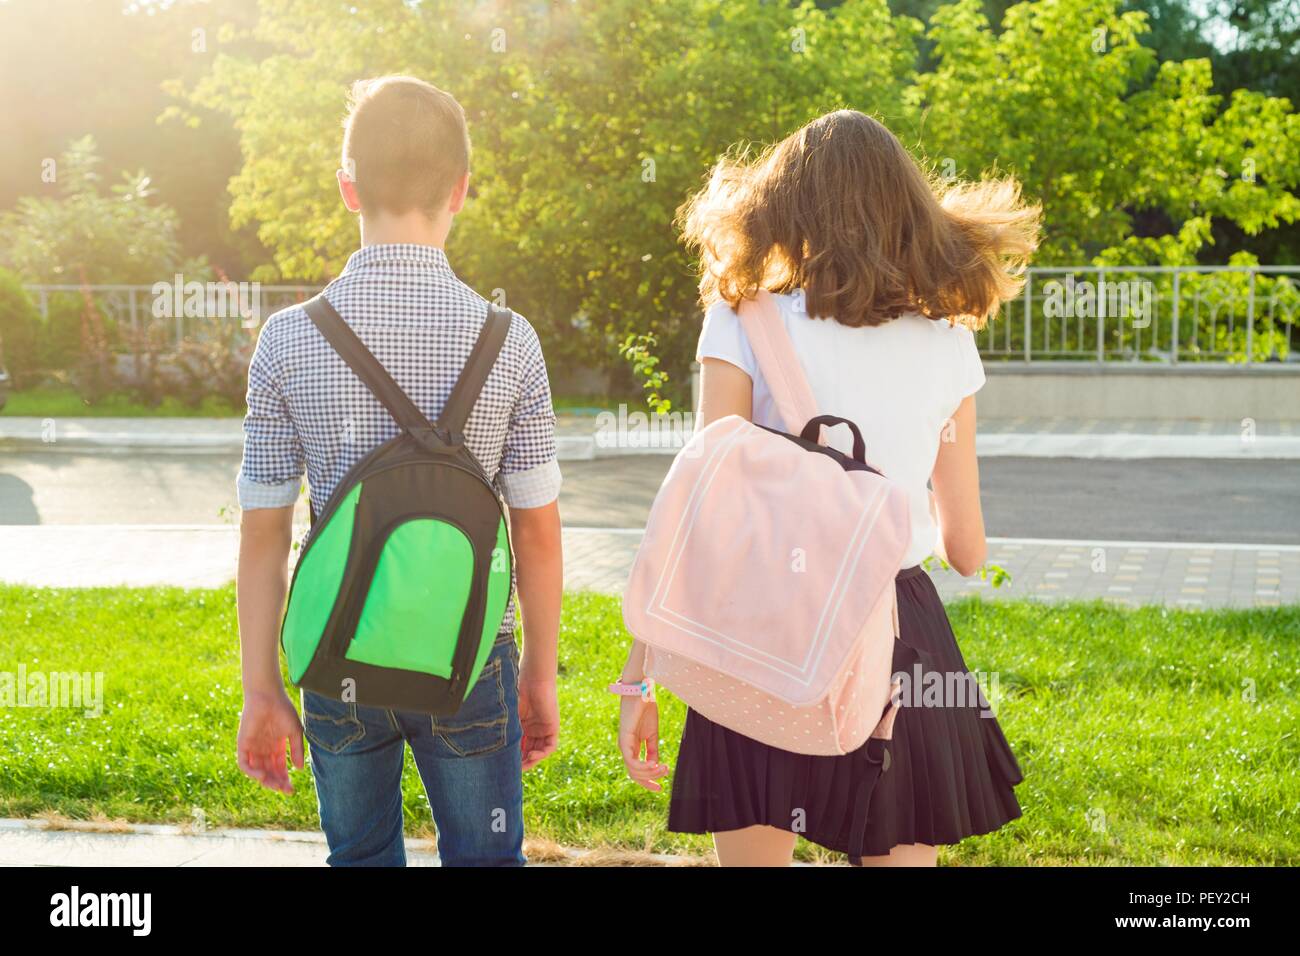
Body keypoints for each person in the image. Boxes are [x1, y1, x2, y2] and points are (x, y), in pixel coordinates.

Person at [617, 109, 1040, 866]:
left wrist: (640, 678)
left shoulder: (740, 317)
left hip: (767, 623)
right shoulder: (948, 335)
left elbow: (707, 517)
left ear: (781, 205)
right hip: (898, 631)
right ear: (910, 208)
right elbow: (967, 549)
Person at [234, 76, 564, 867]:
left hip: (339, 653)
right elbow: (539, 538)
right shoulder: (509, 340)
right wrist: (540, 677)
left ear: (348, 185)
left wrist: (261, 689)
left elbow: (264, 538)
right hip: (470, 652)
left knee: (360, 856)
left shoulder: (287, 341)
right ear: (462, 189)